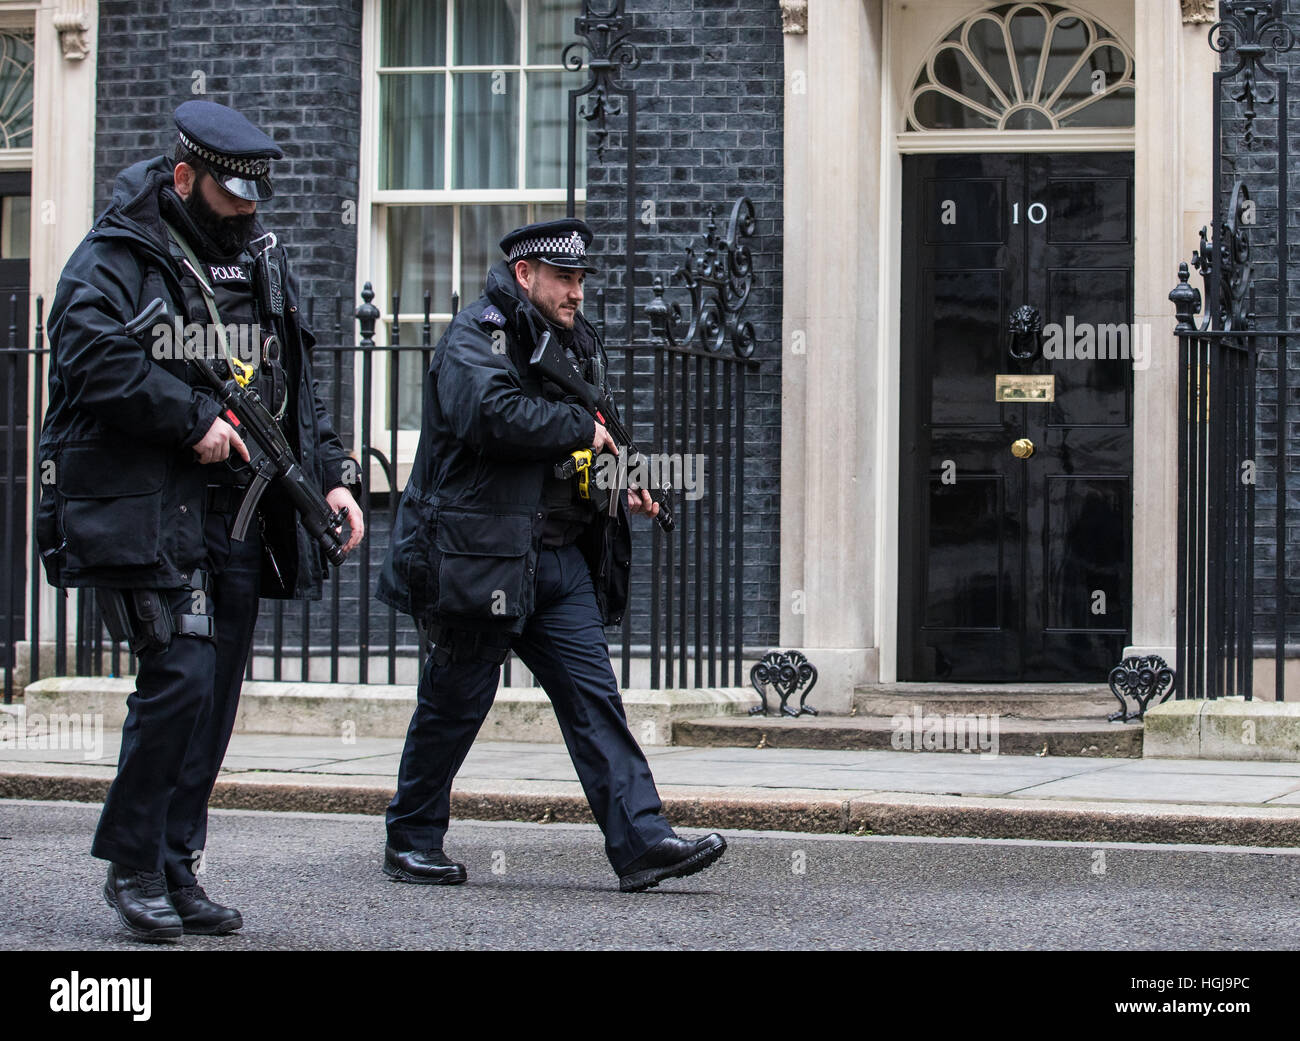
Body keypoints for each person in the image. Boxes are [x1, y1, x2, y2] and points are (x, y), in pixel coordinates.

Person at [36, 100, 364, 940]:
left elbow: (292, 375)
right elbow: (85, 351)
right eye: (230, 200)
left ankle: (180, 867)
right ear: (184, 180)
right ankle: (134, 865)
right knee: (178, 675)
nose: (247, 217)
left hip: (241, 512)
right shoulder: (117, 255)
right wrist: (188, 418)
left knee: (215, 697)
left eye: (256, 202)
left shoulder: (260, 254)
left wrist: (330, 475)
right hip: (154, 507)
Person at [377, 218, 726, 893]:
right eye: (563, 278)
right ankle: (411, 837)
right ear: (523, 275)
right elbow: (490, 414)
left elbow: (580, 455)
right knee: (455, 702)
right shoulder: (476, 336)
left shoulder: (575, 343)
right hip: (482, 558)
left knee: (595, 700)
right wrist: (583, 431)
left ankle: (641, 838)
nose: (575, 292)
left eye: (580, 279)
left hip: (557, 559)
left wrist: (622, 482)